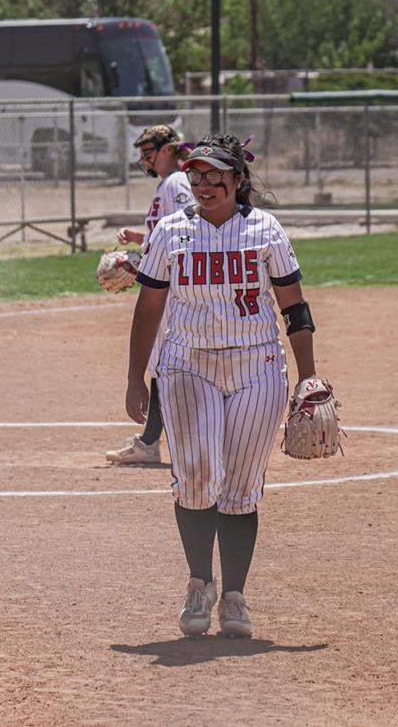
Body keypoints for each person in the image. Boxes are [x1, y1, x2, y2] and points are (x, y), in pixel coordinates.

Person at [124, 134, 320, 639]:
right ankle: (198, 584)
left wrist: (309, 375)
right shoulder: (172, 232)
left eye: (216, 177)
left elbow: (294, 307)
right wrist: (135, 377)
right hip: (187, 364)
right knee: (196, 476)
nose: (205, 186)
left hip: (257, 367)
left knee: (239, 489)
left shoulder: (264, 230)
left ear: (238, 180)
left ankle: (234, 597)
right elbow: (148, 309)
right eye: (196, 177)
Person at [106, 125, 192, 466]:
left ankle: (158, 440)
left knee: (165, 362)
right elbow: (166, 233)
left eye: (149, 152)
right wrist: (140, 240)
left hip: (172, 287)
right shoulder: (169, 183)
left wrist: (142, 262)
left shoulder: (177, 183)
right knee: (161, 361)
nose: (144, 159)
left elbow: (188, 228)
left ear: (168, 149)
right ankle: (151, 440)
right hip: (167, 281)